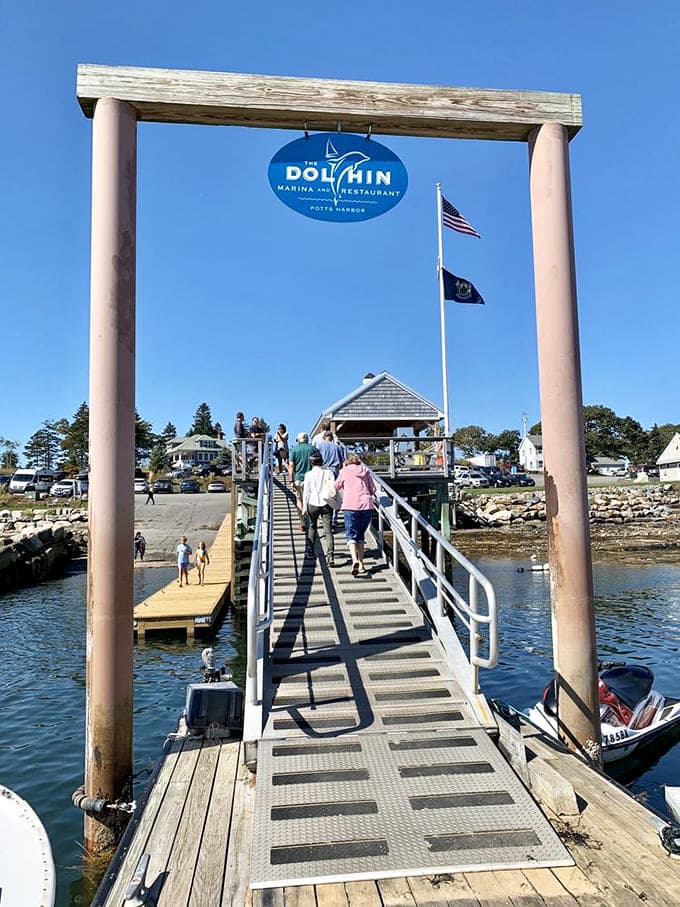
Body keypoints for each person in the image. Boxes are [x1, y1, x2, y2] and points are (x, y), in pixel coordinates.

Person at [335, 453, 376, 576]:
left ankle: (354, 561)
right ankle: (362, 564)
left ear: (347, 461)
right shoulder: (365, 470)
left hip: (350, 505)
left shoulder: (345, 471)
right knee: (360, 535)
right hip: (366, 505)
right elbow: (373, 489)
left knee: (351, 535)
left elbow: (336, 485)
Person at [302, 450, 336, 566]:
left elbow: (306, 492)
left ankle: (310, 552)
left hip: (313, 503)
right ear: (322, 461)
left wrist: (304, 508)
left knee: (312, 526)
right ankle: (330, 555)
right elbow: (333, 488)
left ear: (311, 463)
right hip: (326, 503)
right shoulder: (329, 473)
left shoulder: (308, 475)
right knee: (327, 529)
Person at [287, 432, 318, 532]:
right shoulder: (313, 449)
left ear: (298, 440)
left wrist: (291, 480)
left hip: (299, 479)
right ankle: (312, 521)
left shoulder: (294, 450)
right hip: (312, 479)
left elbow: (291, 466)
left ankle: (303, 522)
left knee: (299, 500)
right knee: (311, 500)